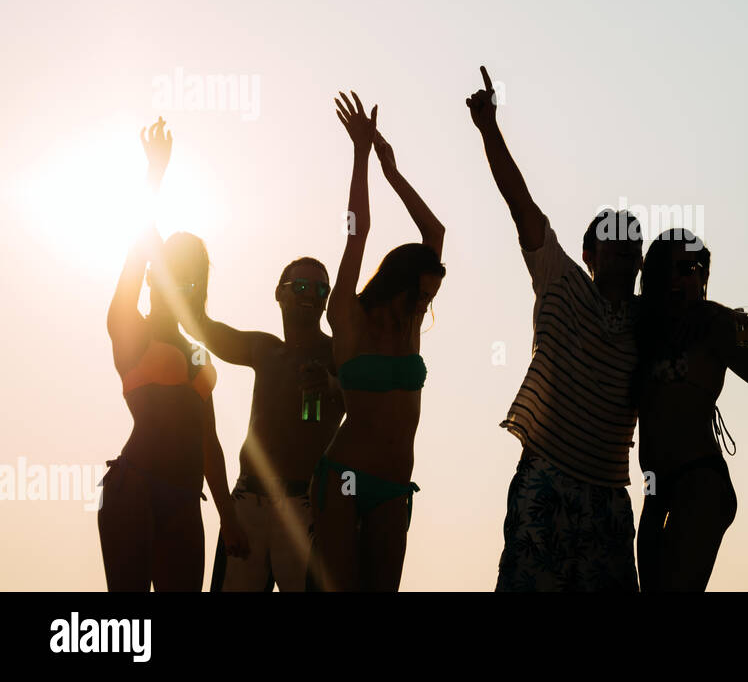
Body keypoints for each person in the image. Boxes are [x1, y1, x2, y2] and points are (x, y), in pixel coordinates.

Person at [466, 66, 643, 592]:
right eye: (612, 240)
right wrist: (489, 128)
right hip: (546, 475)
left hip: (609, 489)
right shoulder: (560, 278)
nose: (625, 249)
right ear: (589, 253)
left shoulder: (648, 317)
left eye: (633, 242)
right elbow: (518, 201)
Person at [307, 92, 446, 592]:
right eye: (421, 294)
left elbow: (435, 230)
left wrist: (393, 170)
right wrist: (361, 157)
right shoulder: (350, 316)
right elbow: (356, 234)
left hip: (393, 484)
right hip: (344, 475)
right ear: (400, 282)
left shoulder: (411, 323)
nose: (424, 306)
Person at [102, 117, 248, 590]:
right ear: (151, 276)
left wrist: (229, 516)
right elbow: (136, 246)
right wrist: (155, 174)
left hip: (186, 499)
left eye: (193, 279)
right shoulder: (130, 329)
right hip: (135, 488)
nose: (183, 285)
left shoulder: (199, 354)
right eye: (173, 273)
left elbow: (210, 443)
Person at [634, 229, 748, 591]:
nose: (676, 279)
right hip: (655, 492)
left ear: (703, 276)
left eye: (687, 268)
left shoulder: (715, 323)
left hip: (700, 480)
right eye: (665, 270)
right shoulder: (641, 322)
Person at [182, 255, 344, 591]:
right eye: (300, 286)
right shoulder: (265, 349)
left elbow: (370, 398)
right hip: (248, 501)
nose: (310, 294)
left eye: (320, 289)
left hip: (306, 506)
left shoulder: (339, 354)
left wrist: (331, 385)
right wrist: (187, 268)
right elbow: (199, 325)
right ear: (279, 294)